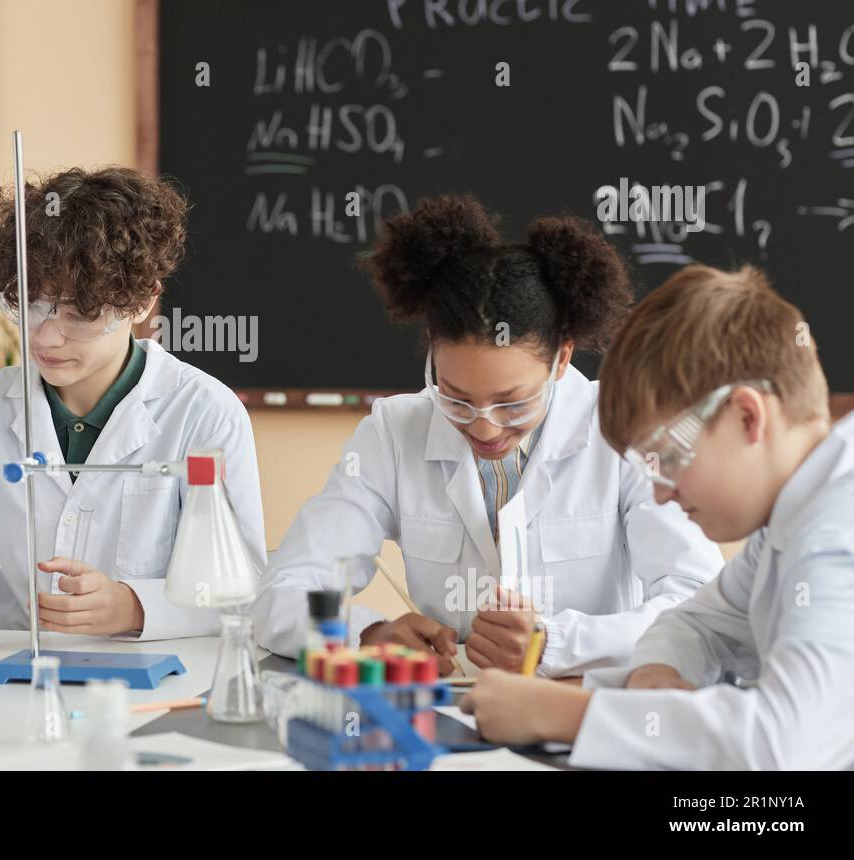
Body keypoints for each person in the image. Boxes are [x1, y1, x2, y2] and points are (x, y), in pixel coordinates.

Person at [253, 195, 722, 676]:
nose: (483, 425)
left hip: (584, 712)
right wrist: (366, 634)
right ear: (434, 352)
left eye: (512, 403)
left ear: (562, 356)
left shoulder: (623, 428)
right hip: (448, 715)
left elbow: (700, 607)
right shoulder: (394, 433)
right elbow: (280, 597)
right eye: (455, 397)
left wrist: (555, 643)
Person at [460, 265, 854, 770]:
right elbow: (696, 625)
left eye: (663, 459)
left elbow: (781, 746)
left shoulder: (834, 535)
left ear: (746, 417)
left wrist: (573, 714)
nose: (661, 495)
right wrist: (656, 676)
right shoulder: (788, 524)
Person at [0, 166, 266, 639]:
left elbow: (245, 587)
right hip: (16, 685)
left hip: (156, 685)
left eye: (78, 313)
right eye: (33, 304)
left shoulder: (205, 412)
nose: (46, 336)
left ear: (142, 302)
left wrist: (134, 608)